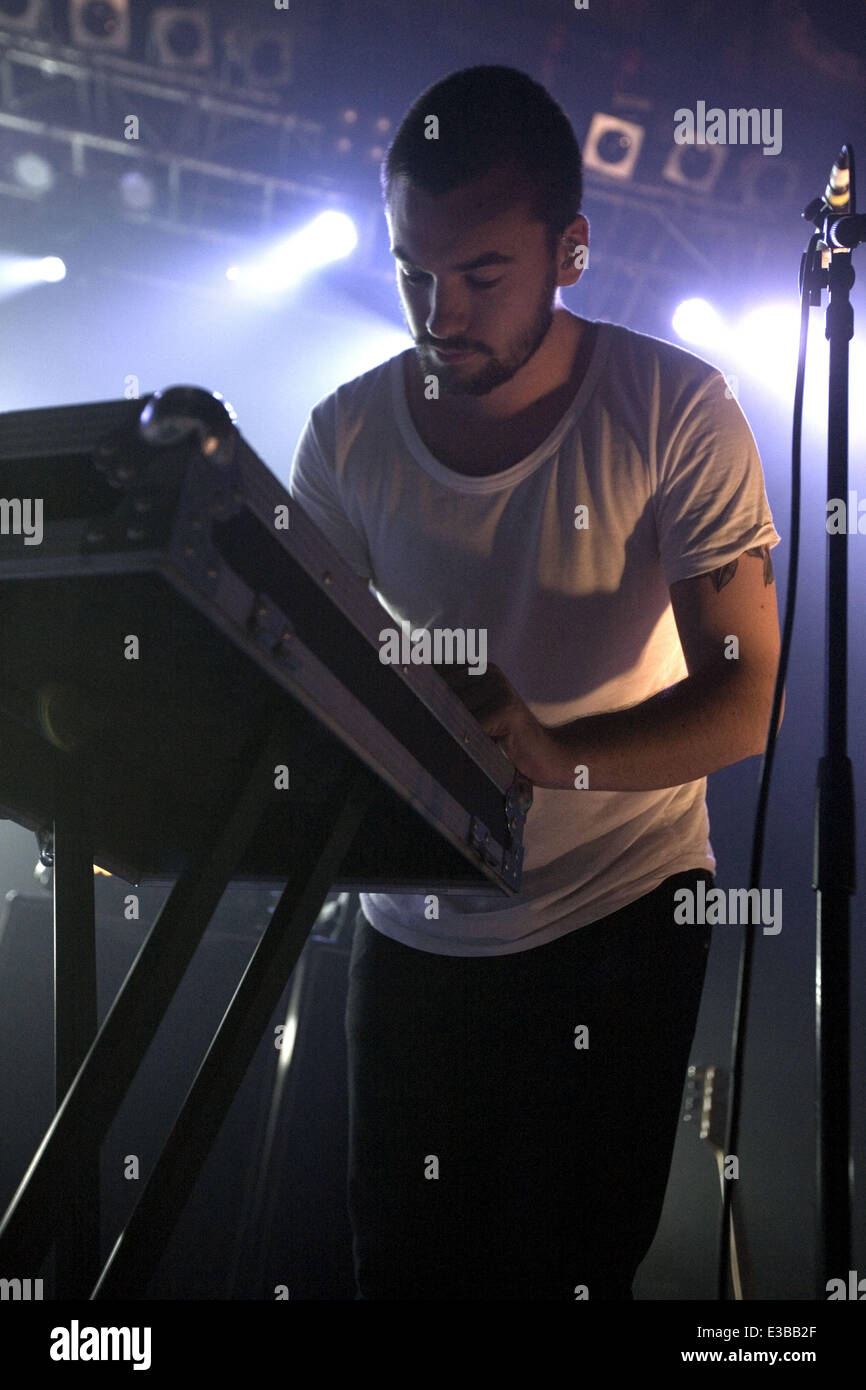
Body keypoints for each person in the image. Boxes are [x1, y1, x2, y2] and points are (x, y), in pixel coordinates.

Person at [289, 65, 783, 1300]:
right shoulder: (343, 434)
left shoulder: (675, 407)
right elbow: (300, 664)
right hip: (411, 917)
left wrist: (544, 748)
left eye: (479, 275)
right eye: (412, 270)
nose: (435, 311)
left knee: (563, 1271)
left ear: (568, 251)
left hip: (618, 900)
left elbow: (742, 698)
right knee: (398, 1272)